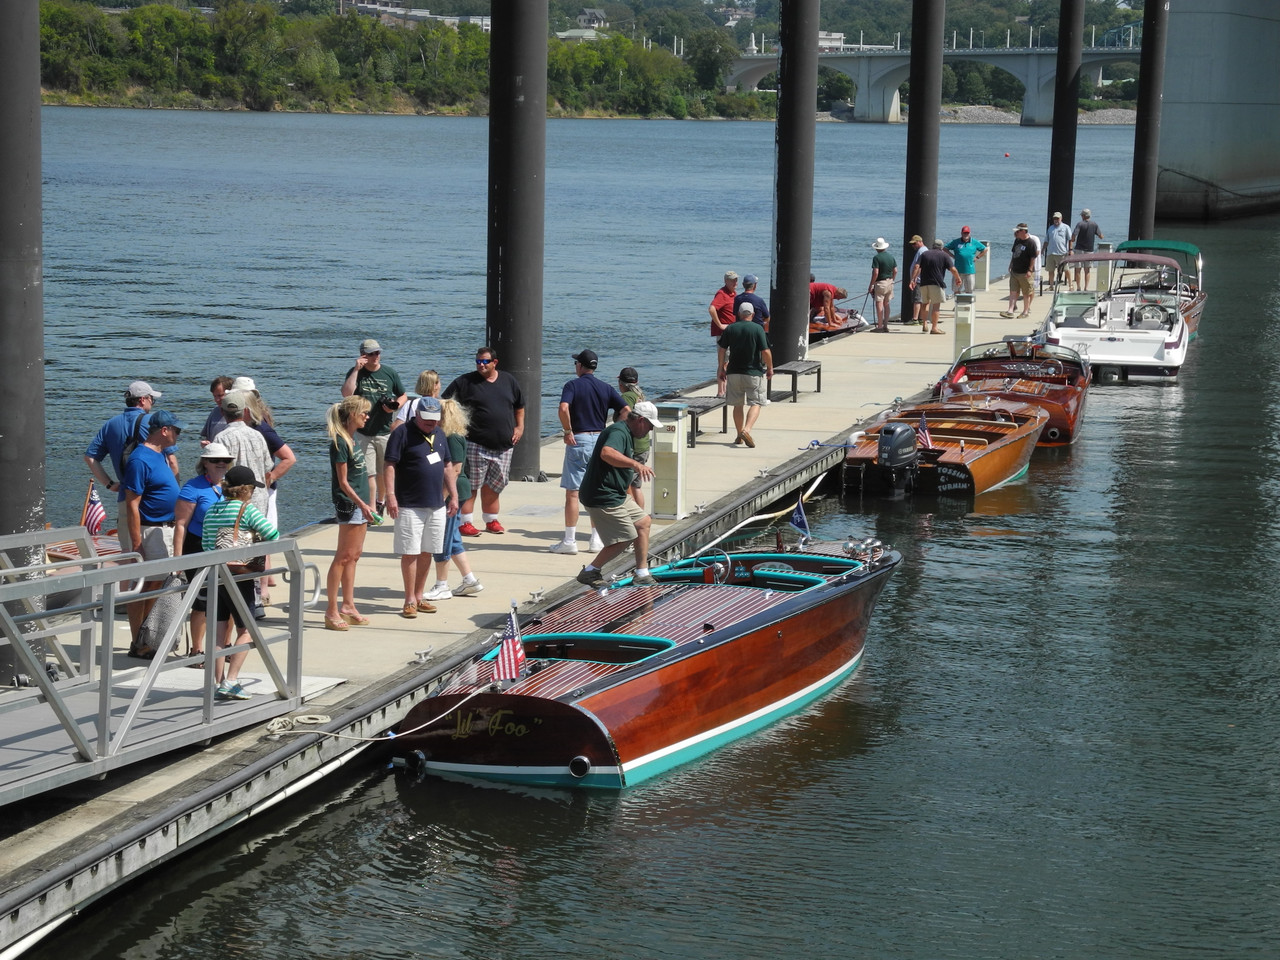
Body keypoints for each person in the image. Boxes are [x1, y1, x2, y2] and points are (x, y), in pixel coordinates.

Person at [201, 465, 279, 700]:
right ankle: (232, 680)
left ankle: (219, 682)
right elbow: (272, 534)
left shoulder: (212, 509)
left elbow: (206, 544)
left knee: (218, 632)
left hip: (216, 575)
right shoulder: (247, 510)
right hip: (240, 575)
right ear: (245, 490)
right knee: (247, 629)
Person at [384, 396, 458, 619]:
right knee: (410, 552)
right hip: (409, 503)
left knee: (428, 551)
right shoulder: (402, 433)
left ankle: (419, 596)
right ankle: (408, 599)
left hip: (436, 504)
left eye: (435, 420)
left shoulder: (440, 434)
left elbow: (447, 466)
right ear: (417, 415)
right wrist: (390, 495)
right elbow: (389, 464)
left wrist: (453, 496)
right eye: (427, 419)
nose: (431, 423)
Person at [575, 402, 663, 589]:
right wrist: (636, 464)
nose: (650, 430)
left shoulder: (627, 433)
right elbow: (606, 453)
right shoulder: (618, 432)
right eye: (649, 426)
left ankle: (641, 573)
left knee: (643, 522)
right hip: (601, 495)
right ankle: (590, 571)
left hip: (616, 493)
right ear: (640, 420)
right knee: (625, 537)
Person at [84, 380, 178, 551]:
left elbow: (90, 457)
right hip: (152, 505)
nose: (152, 403)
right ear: (142, 400)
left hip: (124, 498)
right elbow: (172, 462)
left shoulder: (111, 424)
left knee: (129, 558)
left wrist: (110, 484)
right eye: (152, 399)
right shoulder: (153, 424)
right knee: (159, 564)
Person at [550, 349, 628, 556]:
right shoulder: (605, 387)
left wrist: (567, 431)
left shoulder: (572, 385)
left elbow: (563, 408)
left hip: (580, 439)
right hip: (600, 439)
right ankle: (596, 539)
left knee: (573, 493)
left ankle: (569, 540)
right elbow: (626, 410)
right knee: (596, 490)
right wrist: (613, 430)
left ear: (580, 366)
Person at [442, 345, 525, 537]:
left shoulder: (509, 381)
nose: (481, 365)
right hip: (475, 443)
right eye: (478, 361)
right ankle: (466, 522)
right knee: (472, 484)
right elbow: (446, 404)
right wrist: (455, 428)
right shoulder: (465, 382)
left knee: (495, 484)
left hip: (504, 445)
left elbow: (519, 406)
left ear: (494, 362)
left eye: (485, 361)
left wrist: (519, 427)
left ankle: (490, 519)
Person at [121, 410, 183, 641]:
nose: (179, 434)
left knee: (158, 583)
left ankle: (149, 636)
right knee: (144, 586)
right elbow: (132, 504)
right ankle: (140, 639)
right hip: (150, 529)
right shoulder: (140, 459)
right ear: (164, 431)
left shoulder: (160, 454)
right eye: (176, 430)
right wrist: (137, 543)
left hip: (166, 528)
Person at [173, 443, 233, 662]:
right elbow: (181, 524)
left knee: (229, 599)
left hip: (226, 546)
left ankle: (224, 645)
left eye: (226, 460)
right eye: (216, 460)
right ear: (205, 462)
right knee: (202, 601)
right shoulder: (193, 488)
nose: (221, 464)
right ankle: (197, 650)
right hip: (197, 546)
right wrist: (177, 559)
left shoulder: (232, 486)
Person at [423, 398, 483, 603]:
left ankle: (442, 585)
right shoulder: (444, 436)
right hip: (452, 491)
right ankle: (470, 579)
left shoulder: (452, 438)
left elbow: (455, 469)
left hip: (452, 492)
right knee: (453, 538)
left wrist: (443, 497)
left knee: (442, 539)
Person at [324, 396, 376, 632]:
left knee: (355, 555)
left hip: (362, 504)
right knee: (343, 556)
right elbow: (343, 482)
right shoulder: (340, 442)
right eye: (363, 412)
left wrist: (370, 503)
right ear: (352, 413)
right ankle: (331, 610)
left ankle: (348, 604)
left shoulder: (353, 439)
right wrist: (362, 505)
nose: (367, 416)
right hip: (351, 505)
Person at [340, 338, 407, 514]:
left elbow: (403, 395)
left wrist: (395, 405)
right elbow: (347, 394)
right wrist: (356, 369)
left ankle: (380, 500)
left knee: (383, 470)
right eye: (371, 354)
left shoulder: (389, 373)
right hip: (363, 431)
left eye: (377, 353)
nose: (375, 356)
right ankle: (371, 507)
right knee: (369, 472)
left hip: (384, 430)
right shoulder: (356, 373)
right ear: (363, 355)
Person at [718, 306, 774, 448]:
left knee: (738, 404)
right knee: (756, 402)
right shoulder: (757, 329)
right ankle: (746, 430)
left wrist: (721, 368)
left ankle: (739, 435)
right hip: (753, 372)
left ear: (738, 314)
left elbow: (722, 349)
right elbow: (765, 351)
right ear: (753, 314)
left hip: (734, 372)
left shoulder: (730, 328)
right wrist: (770, 368)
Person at [217, 390, 273, 521]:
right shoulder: (258, 435)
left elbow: (218, 474)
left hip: (235, 503)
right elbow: (268, 468)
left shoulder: (221, 438)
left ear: (222, 412)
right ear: (245, 411)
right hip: (259, 500)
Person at [911, 240, 962, 335]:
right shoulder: (944, 255)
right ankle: (934, 328)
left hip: (923, 283)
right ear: (942, 247)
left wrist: (912, 279)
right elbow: (953, 269)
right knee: (936, 306)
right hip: (936, 283)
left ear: (933, 246)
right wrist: (958, 278)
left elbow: (916, 267)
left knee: (925, 303)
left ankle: (924, 323)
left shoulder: (925, 254)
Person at [616, 367, 650, 509]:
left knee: (627, 484)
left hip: (633, 447)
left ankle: (633, 515)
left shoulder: (625, 398)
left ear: (621, 384)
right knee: (636, 486)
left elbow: (626, 415)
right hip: (644, 445)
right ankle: (640, 515)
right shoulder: (640, 395)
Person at [1000, 223, 1040, 319]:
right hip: (1015, 271)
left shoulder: (1031, 243)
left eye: (1018, 231)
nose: (1016, 233)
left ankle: (1025, 311)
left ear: (1023, 231)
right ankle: (1010, 310)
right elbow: (1014, 254)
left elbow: (1033, 257)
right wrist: (1011, 264)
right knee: (1013, 291)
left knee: (1026, 293)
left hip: (1025, 272)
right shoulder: (1017, 241)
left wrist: (1030, 270)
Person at [708, 270, 739, 396]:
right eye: (732, 280)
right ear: (726, 281)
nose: (735, 282)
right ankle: (721, 391)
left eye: (736, 279)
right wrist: (720, 325)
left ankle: (726, 389)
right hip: (724, 334)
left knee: (730, 360)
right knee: (724, 361)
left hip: (733, 332)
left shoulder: (733, 294)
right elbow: (712, 308)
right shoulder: (722, 294)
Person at [944, 227, 986, 295]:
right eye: (964, 233)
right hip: (958, 271)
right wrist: (952, 256)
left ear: (969, 233)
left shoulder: (974, 242)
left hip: (970, 271)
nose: (966, 234)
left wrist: (977, 257)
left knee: (969, 290)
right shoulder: (956, 242)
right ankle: (957, 304)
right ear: (961, 233)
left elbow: (984, 249)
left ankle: (968, 304)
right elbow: (945, 248)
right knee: (956, 290)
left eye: (967, 233)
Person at [1070, 208, 1104, 291]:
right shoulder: (1094, 224)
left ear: (1083, 216)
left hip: (1079, 249)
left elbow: (1074, 234)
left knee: (1078, 269)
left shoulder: (1080, 224)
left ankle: (1078, 287)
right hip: (1089, 250)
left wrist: (1072, 241)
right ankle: (1086, 287)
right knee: (1087, 270)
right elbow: (1101, 236)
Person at [868, 238, 897, 331]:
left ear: (876, 248)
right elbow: (895, 270)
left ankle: (879, 326)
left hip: (880, 283)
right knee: (887, 303)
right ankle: (885, 325)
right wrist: (892, 279)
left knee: (879, 303)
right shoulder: (891, 257)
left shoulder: (876, 258)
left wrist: (871, 285)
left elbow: (875, 272)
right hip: (890, 282)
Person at [199, 376, 234, 445]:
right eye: (214, 396)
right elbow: (205, 436)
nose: (217, 400)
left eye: (220, 395)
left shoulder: (242, 414)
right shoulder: (215, 412)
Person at [1044, 212, 1071, 287]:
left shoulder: (1065, 227)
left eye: (1057, 218)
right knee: (1050, 270)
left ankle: (1070, 285)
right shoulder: (1050, 228)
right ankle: (1051, 286)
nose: (1056, 220)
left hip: (1061, 252)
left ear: (1061, 218)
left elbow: (1070, 239)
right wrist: (1043, 249)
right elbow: (1046, 240)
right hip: (1051, 252)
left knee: (1066, 269)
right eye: (1054, 218)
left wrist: (1070, 250)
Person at [905, 236, 927, 323]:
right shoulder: (923, 250)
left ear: (920, 242)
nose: (913, 246)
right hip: (921, 279)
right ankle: (921, 318)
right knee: (921, 299)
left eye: (914, 243)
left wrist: (913, 279)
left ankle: (915, 319)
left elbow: (918, 267)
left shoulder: (921, 251)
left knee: (917, 299)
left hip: (918, 279)